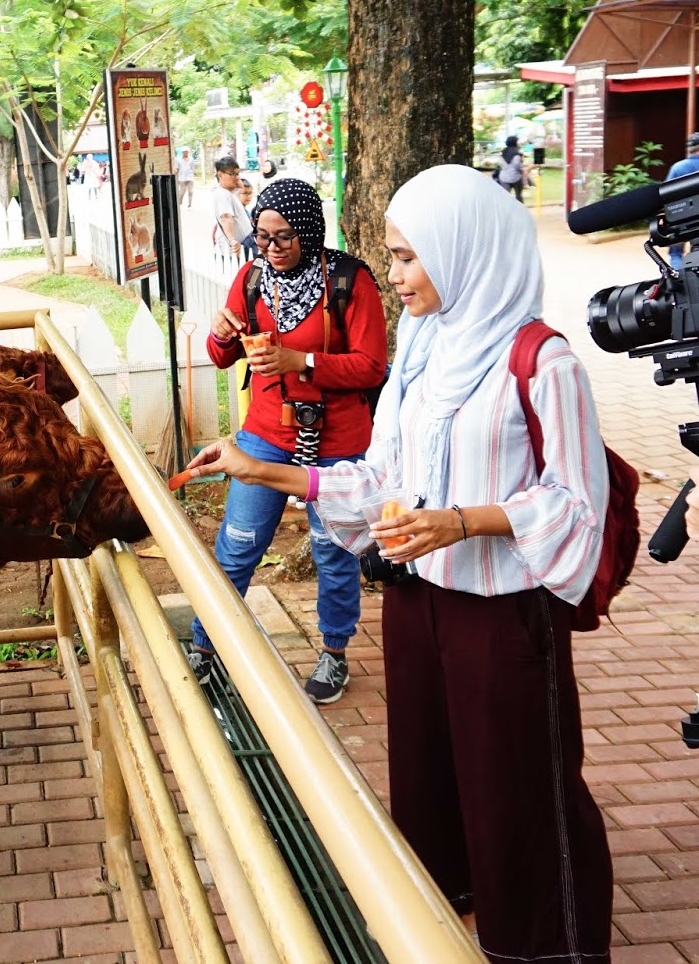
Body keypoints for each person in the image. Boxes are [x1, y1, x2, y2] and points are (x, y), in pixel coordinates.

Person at [186, 164, 612, 962]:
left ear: (466, 251)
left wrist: (465, 520)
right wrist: (261, 469)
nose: (397, 276)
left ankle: (544, 945)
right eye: (391, 256)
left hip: (502, 617)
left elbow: (575, 504)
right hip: (417, 606)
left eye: (411, 258)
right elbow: (382, 479)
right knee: (430, 776)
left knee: (517, 787)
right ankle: (442, 923)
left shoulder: (540, 360)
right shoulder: (423, 348)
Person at [189, 178, 388, 704]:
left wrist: (303, 362)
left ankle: (335, 651)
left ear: (310, 233)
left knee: (334, 550)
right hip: (265, 433)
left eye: (283, 238)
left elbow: (371, 367)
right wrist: (221, 332)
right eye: (261, 236)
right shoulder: (252, 278)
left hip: (338, 438)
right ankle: (206, 649)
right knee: (237, 545)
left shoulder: (349, 280)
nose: (270, 249)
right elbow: (219, 356)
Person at [664, 131, 699, 269]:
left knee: (676, 253)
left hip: (680, 217)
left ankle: (679, 281)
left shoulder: (678, 168)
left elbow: (666, 194)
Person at [210, 156, 252, 262]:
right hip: (231, 252)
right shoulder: (222, 194)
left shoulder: (228, 192)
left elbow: (240, 190)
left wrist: (239, 184)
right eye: (232, 174)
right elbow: (226, 217)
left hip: (237, 249)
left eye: (238, 173)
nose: (237, 177)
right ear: (220, 174)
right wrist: (232, 240)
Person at [496, 135, 527, 202]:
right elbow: (517, 165)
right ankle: (520, 209)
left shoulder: (503, 152)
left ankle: (506, 210)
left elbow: (500, 164)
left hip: (503, 177)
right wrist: (522, 170)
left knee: (505, 197)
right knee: (518, 196)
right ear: (515, 142)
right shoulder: (516, 153)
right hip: (515, 177)